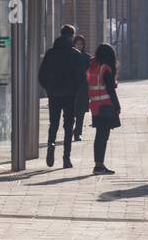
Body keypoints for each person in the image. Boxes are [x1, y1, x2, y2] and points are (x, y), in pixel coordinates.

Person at [38, 24, 83, 168]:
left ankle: (51, 146)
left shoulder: (51, 53)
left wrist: (49, 88)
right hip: (70, 95)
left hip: (54, 95)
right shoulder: (75, 54)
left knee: (54, 124)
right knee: (69, 126)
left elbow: (41, 75)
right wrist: (75, 89)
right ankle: (66, 158)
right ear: (71, 36)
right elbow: (81, 76)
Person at [87, 43, 122, 175]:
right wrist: (117, 106)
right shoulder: (105, 69)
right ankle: (99, 166)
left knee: (99, 136)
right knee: (103, 137)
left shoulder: (92, 67)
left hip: (95, 106)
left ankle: (98, 164)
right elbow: (110, 90)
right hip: (106, 106)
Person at [71, 34, 92, 142]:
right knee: (70, 113)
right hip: (71, 89)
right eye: (77, 44)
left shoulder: (87, 58)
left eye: (81, 44)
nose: (79, 46)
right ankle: (70, 130)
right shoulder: (69, 56)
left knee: (80, 113)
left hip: (83, 89)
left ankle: (78, 133)